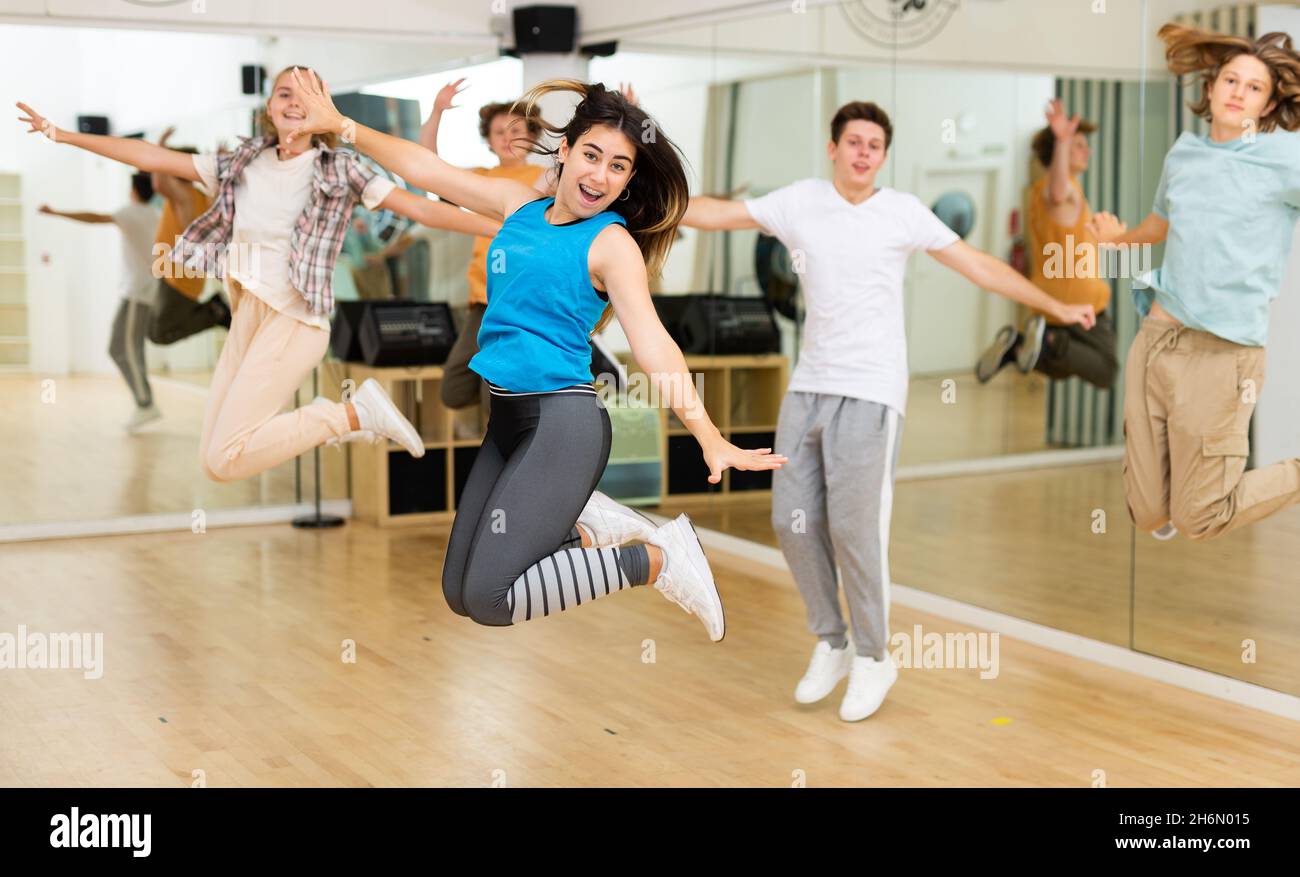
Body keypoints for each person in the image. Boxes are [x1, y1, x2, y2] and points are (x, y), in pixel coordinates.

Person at [284, 71, 786, 640]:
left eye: (618, 166)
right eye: (591, 154)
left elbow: (654, 345)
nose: (600, 175)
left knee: (492, 597)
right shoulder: (517, 206)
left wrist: (708, 434)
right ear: (566, 150)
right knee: (459, 592)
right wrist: (342, 127)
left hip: (561, 424)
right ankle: (590, 528)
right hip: (508, 419)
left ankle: (660, 558)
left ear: (627, 181)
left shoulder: (611, 244)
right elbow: (426, 170)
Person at [682, 101, 1095, 720]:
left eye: (875, 143)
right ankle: (833, 641)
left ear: (883, 154)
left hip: (872, 390)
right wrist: (633, 180)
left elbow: (979, 266)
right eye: (853, 141)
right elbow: (713, 214)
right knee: (792, 520)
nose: (863, 152)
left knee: (854, 528)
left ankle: (875, 656)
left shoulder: (901, 212)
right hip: (808, 388)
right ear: (833, 149)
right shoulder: (800, 201)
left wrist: (1053, 308)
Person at [17, 65, 501, 482]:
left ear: (324, 105)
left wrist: (503, 226)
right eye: (284, 93)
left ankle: (349, 413)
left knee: (227, 458)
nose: (295, 102)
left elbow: (423, 209)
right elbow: (150, 158)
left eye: (307, 93)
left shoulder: (341, 169)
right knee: (214, 462)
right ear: (269, 106)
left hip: (294, 320)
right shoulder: (240, 163)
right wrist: (62, 135)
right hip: (247, 314)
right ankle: (342, 415)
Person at [1088, 23, 1300, 542]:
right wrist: (1117, 242)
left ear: (1269, 107)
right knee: (1147, 514)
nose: (1238, 92)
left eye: (1254, 87)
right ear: (1210, 89)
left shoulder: (1284, 160)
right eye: (1230, 80)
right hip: (1156, 341)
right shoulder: (1183, 155)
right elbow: (1158, 228)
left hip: (1222, 356)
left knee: (1198, 516)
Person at [420, 82, 547, 437]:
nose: (508, 138)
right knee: (455, 389)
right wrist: (437, 112)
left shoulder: (545, 180)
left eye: (517, 131)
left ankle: (507, 445)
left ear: (533, 136)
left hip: (522, 304)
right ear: (488, 140)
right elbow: (428, 166)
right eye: (499, 132)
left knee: (495, 398)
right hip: (482, 303)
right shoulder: (481, 179)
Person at [976, 99, 1118, 389]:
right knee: (1106, 370)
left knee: (1056, 368)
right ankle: (1047, 341)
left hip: (1049, 303)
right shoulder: (1059, 192)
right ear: (1058, 152)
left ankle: (1020, 346)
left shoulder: (1040, 194)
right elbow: (1058, 193)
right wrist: (1063, 140)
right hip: (1076, 305)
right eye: (1079, 144)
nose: (1086, 150)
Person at [37, 172, 162, 432]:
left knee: (124, 349)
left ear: (133, 191)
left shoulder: (132, 213)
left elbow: (95, 218)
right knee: (124, 348)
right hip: (140, 292)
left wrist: (57, 212)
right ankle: (144, 402)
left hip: (137, 294)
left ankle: (145, 403)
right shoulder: (154, 214)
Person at [147, 126, 231, 346]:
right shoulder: (200, 197)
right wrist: (218, 163)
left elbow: (158, 182)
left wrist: (161, 144)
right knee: (155, 329)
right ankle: (214, 311)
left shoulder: (182, 194)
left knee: (158, 333)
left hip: (178, 277)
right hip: (182, 275)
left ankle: (215, 311)